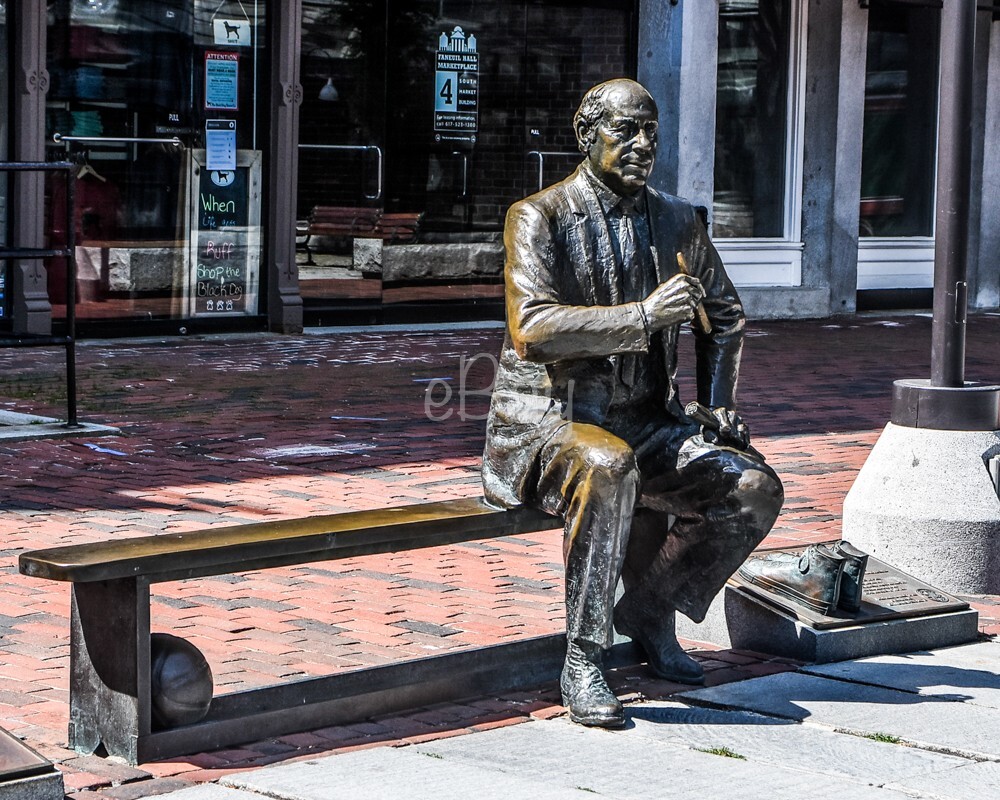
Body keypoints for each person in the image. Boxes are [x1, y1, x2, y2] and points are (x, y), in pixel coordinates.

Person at [481, 79, 784, 728]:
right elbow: (532, 328)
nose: (644, 144)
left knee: (751, 486)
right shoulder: (539, 217)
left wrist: (718, 403)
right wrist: (643, 315)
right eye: (626, 131)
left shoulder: (678, 220)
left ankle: (649, 606)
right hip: (550, 422)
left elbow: (724, 317)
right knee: (608, 467)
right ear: (586, 136)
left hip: (646, 419)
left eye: (652, 131)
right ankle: (584, 657)